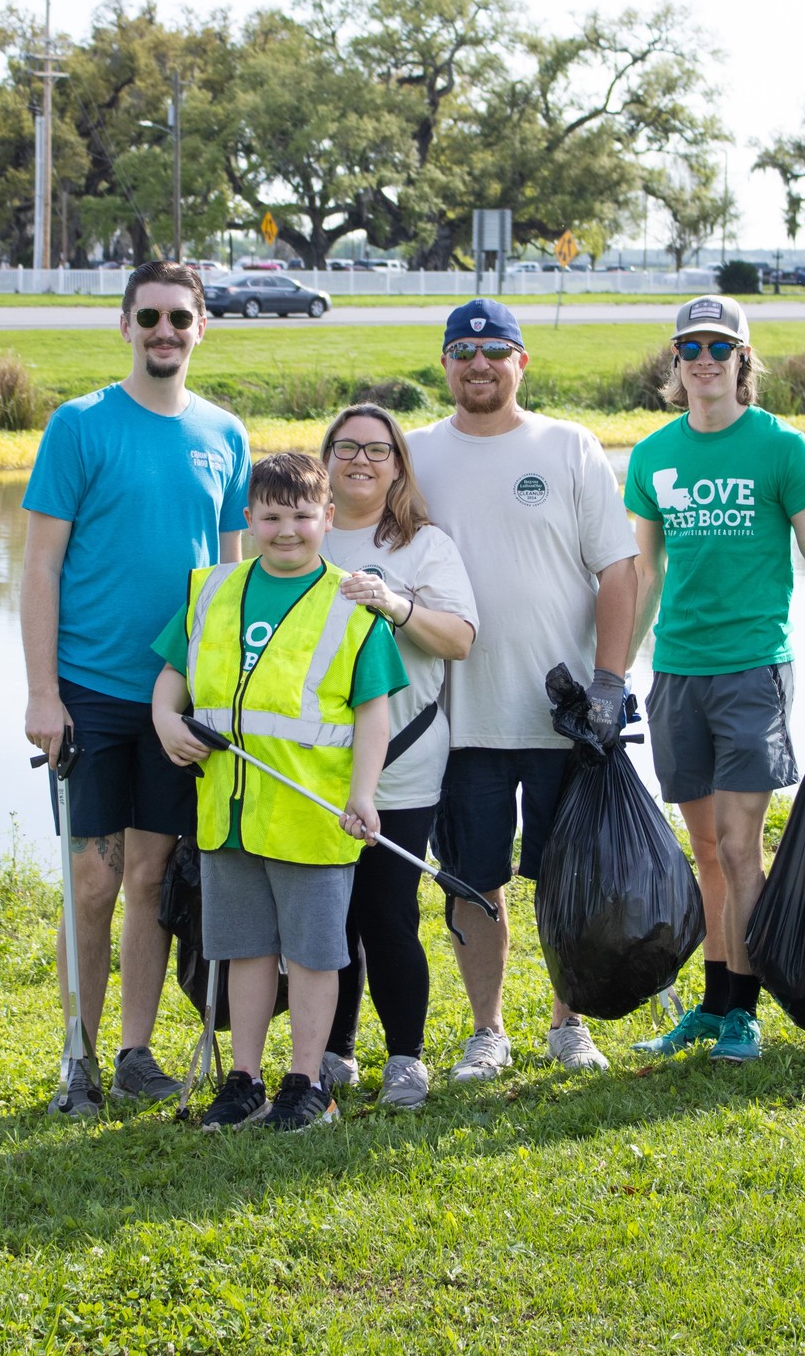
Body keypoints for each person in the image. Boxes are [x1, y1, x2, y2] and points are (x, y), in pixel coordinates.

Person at [20, 260, 251, 1116]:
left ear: (201, 329)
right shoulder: (79, 427)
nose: (165, 332)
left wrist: (221, 695)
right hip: (88, 694)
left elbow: (229, 580)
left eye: (179, 319)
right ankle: (75, 1058)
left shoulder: (225, 434)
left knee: (152, 877)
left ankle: (134, 1053)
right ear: (124, 325)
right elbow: (41, 566)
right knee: (93, 881)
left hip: (179, 699)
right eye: (149, 317)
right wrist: (43, 694)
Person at [623, 294, 805, 1063]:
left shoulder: (780, 447)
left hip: (753, 671)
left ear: (742, 362)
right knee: (705, 850)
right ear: (676, 363)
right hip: (677, 674)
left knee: (738, 845)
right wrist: (618, 671)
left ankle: (743, 1013)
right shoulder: (651, 456)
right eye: (689, 347)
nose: (703, 360)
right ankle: (711, 1000)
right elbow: (646, 570)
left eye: (718, 348)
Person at [405, 299, 640, 1079]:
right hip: (456, 715)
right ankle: (487, 1030)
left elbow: (618, 569)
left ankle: (568, 1021)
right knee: (475, 879)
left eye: (494, 350)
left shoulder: (569, 446)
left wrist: (609, 684)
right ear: (444, 364)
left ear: (521, 362)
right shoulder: (414, 455)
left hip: (562, 714)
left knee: (565, 877)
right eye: (463, 351)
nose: (479, 364)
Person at [150, 451, 410, 1131]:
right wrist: (162, 719)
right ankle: (245, 1079)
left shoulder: (352, 604)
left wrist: (364, 793)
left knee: (316, 953)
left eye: (301, 516)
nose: (286, 530)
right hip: (229, 813)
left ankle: (306, 1083)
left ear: (328, 518)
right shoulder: (212, 590)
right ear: (250, 519)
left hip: (309, 816)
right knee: (244, 949)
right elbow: (173, 674)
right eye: (270, 516)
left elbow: (373, 711)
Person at [313, 405, 479, 1108]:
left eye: (377, 449)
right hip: (314, 768)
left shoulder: (423, 546)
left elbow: (461, 638)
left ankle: (406, 1056)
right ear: (324, 459)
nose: (360, 460)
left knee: (386, 910)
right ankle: (332, 1050)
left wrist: (396, 604)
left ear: (399, 464)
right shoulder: (298, 534)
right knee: (327, 915)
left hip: (403, 763)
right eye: (345, 447)